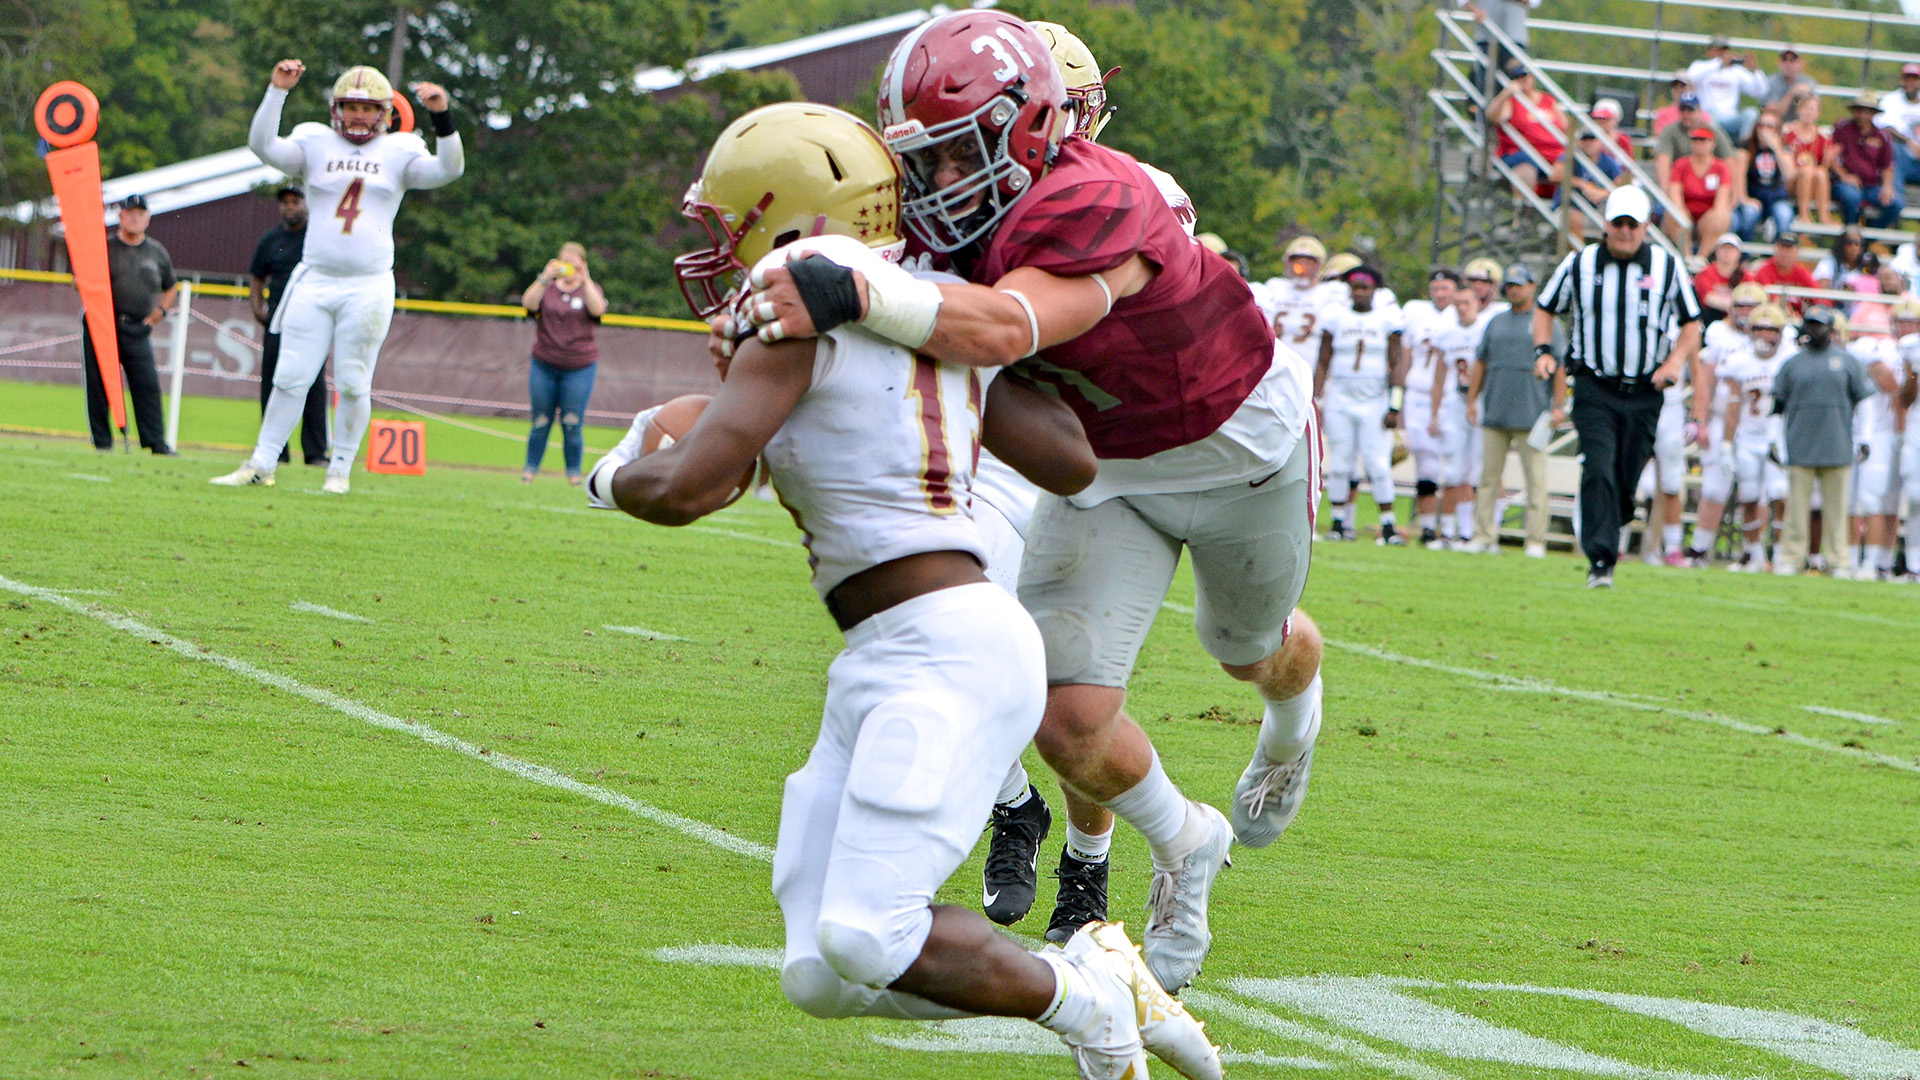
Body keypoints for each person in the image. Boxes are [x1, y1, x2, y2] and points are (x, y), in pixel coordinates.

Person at [601, 102, 1220, 1080]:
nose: (719, 254)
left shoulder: (794, 310)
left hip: (946, 647)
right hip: (892, 656)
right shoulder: (926, 299)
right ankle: (1092, 972)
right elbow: (1068, 458)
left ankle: (1092, 998)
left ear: (794, 221)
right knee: (819, 971)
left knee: (866, 933)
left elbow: (682, 490)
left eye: (728, 227)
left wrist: (612, 472)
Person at [746, 9, 1325, 994]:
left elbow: (1008, 324)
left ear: (1029, 129)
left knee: (1249, 650)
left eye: (956, 152)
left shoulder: (1100, 192)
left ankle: (1292, 728)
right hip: (1106, 469)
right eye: (921, 161)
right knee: (1067, 719)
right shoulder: (961, 222)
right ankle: (1186, 840)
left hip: (1239, 450)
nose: (937, 183)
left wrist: (853, 294)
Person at [212, 61, 464, 493]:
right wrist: (276, 91)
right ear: (335, 108)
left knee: (352, 379)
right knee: (290, 375)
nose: (358, 116)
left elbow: (449, 170)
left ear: (385, 112)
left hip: (367, 284)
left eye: (368, 108)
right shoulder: (315, 140)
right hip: (315, 278)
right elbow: (262, 146)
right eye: (350, 106)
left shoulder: (400, 149)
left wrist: (442, 116)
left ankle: (340, 469)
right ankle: (261, 462)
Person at [1536, 185, 1704, 588]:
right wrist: (1544, 350)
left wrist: (1675, 361)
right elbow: (1545, 307)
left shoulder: (1666, 266)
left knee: (1627, 477)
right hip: (1595, 384)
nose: (1625, 231)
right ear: (1605, 224)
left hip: (1646, 388)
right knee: (1598, 466)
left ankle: (1618, 515)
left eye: (1632, 224)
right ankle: (1601, 560)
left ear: (1646, 226)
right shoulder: (1581, 263)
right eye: (1617, 224)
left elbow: (1692, 323)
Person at [1465, 263, 1564, 556]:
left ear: (1533, 287)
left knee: (1536, 481)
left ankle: (1535, 540)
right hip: (1496, 411)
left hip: (1533, 414)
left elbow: (1559, 366)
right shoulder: (1496, 321)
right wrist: (1473, 400)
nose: (1514, 290)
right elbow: (1481, 363)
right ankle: (1483, 535)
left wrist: (1559, 406)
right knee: (1488, 479)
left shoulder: (1547, 324)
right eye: (1509, 285)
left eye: (1519, 285)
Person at [1771, 305, 1873, 576]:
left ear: (1831, 329)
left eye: (1821, 325)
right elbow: (1777, 406)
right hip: (1800, 442)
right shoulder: (1792, 364)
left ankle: (1838, 559)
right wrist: (1775, 440)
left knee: (1838, 509)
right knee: (1795, 507)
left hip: (1837, 442)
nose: (1816, 330)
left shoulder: (1848, 362)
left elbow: (1865, 401)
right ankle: (1792, 557)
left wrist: (1865, 438)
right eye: (1811, 324)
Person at [1316, 264, 1407, 544]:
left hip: (1373, 400)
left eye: (1365, 288)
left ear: (1375, 290)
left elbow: (1397, 363)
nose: (1360, 293)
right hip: (1341, 397)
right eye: (1355, 288)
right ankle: (1339, 523)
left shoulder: (1386, 319)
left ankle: (1388, 526)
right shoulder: (1335, 317)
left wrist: (1395, 405)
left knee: (1377, 463)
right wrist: (1316, 399)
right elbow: (1323, 360)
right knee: (1341, 463)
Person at [83, 193, 177, 455]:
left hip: (138, 327)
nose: (135, 217)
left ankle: (155, 441)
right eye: (130, 212)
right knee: (99, 384)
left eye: (140, 213)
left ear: (148, 218)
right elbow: (80, 277)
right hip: (103, 325)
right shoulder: (104, 246)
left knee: (146, 385)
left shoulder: (156, 251)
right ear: (120, 216)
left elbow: (171, 287)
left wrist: (159, 314)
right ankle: (102, 441)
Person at [1684, 281, 1768, 562]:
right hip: (1723, 417)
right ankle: (1698, 548)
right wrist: (1701, 420)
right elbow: (1706, 382)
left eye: (1752, 307)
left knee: (1756, 491)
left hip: (1757, 423)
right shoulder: (1721, 334)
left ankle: (1751, 552)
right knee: (1714, 487)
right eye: (1741, 306)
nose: (1746, 312)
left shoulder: (1776, 336)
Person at [248, 184, 324, 466]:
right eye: (285, 202)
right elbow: (256, 277)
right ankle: (275, 451)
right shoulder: (270, 240)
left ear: (306, 203)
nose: (289, 207)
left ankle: (315, 453)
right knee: (272, 383)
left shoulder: (316, 237)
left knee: (313, 386)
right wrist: (258, 309)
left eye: (295, 201)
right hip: (279, 321)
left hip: (312, 321)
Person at [520, 242, 606, 484]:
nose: (568, 269)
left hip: (580, 366)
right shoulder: (548, 289)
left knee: (571, 421)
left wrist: (585, 279)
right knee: (541, 420)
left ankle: (573, 474)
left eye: (573, 263)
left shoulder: (590, 289)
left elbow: (598, 310)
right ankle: (530, 470)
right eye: (564, 263)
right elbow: (528, 304)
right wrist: (544, 278)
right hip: (545, 364)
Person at [1719, 303, 1792, 571]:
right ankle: (1754, 554)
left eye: (1771, 330)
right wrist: (1727, 444)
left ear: (1781, 333)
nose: (1765, 335)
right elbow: (1733, 405)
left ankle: (1782, 554)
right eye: (1759, 329)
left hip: (1779, 438)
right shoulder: (1739, 362)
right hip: (1748, 437)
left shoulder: (1789, 360)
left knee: (1780, 496)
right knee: (1749, 496)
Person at [1403, 269, 1461, 545]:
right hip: (1418, 393)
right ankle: (1428, 528)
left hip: (1450, 395)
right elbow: (1405, 355)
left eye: (1446, 288)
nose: (1441, 294)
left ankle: (1450, 528)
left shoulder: (1461, 316)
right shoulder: (1416, 312)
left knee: (1453, 465)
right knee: (1425, 463)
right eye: (1436, 288)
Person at [1426, 290, 1486, 547]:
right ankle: (1448, 530)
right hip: (1454, 404)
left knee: (1477, 471)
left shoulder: (1486, 331)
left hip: (1481, 404)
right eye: (1458, 303)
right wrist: (1434, 413)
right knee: (1452, 470)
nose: (1462, 308)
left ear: (1478, 304)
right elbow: (1439, 378)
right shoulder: (1448, 335)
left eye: (1467, 303)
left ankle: (1469, 531)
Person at [1488, 63, 1566, 207]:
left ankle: (1560, 210)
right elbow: (1493, 116)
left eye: (1525, 76)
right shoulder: (1511, 101)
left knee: (1570, 163)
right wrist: (1506, 93)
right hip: (1523, 154)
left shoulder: (1548, 100)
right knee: (1526, 166)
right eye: (1517, 77)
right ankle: (1523, 212)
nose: (1522, 80)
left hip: (1554, 154)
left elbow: (1566, 127)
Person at [1829, 94, 1901, 229]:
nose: (1863, 115)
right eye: (1860, 110)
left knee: (1896, 204)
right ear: (1854, 111)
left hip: (1872, 185)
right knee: (1851, 197)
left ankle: (1868, 237)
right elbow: (1831, 156)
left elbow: (1887, 165)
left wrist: (1887, 186)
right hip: (1845, 183)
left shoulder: (1882, 136)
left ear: (1874, 114)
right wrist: (1844, 176)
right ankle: (1850, 234)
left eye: (1868, 111)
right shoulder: (1842, 129)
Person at [1664, 128, 1735, 256]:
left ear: (1712, 143)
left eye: (1703, 140)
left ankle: (1702, 257)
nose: (1699, 143)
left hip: (1708, 213)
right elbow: (1675, 193)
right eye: (1695, 140)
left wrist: (1716, 215)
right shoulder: (1681, 165)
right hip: (1686, 210)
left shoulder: (1720, 167)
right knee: (1674, 215)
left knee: (1722, 216)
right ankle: (1685, 255)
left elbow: (1722, 197)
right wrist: (1681, 213)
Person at [1684, 34, 1768, 140]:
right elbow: (1690, 78)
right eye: (1718, 50)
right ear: (1709, 51)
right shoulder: (1700, 66)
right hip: (1708, 117)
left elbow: (1761, 92)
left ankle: (1744, 147)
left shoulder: (1736, 71)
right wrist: (1719, 63)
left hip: (1731, 118)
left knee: (1751, 114)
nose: (1722, 53)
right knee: (1710, 116)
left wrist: (1755, 70)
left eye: (1724, 50)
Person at [1731, 111, 1797, 241]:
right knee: (1749, 214)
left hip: (1776, 197)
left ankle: (1776, 255)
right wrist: (1744, 199)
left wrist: (1776, 148)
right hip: (1753, 196)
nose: (1764, 130)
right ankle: (1744, 256)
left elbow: (1790, 175)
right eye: (1761, 125)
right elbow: (1738, 177)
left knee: (1784, 215)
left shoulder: (1785, 148)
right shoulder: (1745, 147)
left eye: (1770, 126)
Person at [1551, 129, 1623, 246]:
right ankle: (1580, 257)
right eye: (1585, 139)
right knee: (1573, 218)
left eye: (1592, 139)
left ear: (1600, 142)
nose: (1588, 143)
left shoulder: (1607, 160)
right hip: (1569, 205)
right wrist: (1582, 184)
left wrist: (1603, 193)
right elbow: (1555, 175)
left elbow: (1622, 185)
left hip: (1597, 208)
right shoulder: (1571, 156)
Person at [1263, 236, 1334, 351]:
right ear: (1287, 262)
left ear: (1320, 265)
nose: (1302, 267)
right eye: (1296, 261)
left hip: (1309, 360)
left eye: (1308, 262)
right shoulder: (1274, 288)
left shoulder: (1330, 293)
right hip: (1276, 360)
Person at [1654, 94, 1733, 191]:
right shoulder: (1670, 132)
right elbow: (1663, 159)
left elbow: (1729, 160)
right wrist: (1666, 193)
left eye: (1691, 110)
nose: (1686, 114)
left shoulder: (1712, 131)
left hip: (1709, 190)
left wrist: (1731, 196)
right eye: (1683, 110)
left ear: (1699, 111)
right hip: (1678, 186)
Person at [1781, 92, 1834, 225]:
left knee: (1821, 173)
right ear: (1799, 110)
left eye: (1813, 109)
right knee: (1806, 170)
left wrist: (1830, 157)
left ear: (1818, 114)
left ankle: (1824, 215)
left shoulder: (1823, 137)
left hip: (1812, 179)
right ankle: (1804, 214)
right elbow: (1791, 148)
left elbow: (1824, 164)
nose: (1809, 112)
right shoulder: (1790, 133)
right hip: (1794, 177)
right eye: (1806, 108)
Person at [1752, 231, 1819, 315]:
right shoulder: (1764, 270)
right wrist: (1790, 314)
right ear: (1776, 249)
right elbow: (1774, 300)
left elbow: (1818, 297)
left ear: (1797, 252)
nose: (1785, 253)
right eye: (1782, 248)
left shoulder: (1801, 273)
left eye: (1789, 249)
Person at [1877, 64, 1920, 189]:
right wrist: (1910, 143)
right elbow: (1885, 128)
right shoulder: (1891, 100)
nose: (1910, 83)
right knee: (1894, 148)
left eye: (1914, 80)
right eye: (1907, 79)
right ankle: (1895, 196)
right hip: (1901, 156)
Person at [1693, 232, 1747, 321]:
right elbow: (1708, 298)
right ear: (1717, 251)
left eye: (1731, 249)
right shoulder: (1705, 273)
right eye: (1724, 248)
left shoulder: (1745, 275)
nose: (1727, 252)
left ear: (1739, 253)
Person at [1764, 47, 1817, 117]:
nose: (1788, 64)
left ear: (1800, 63)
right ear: (1779, 63)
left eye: (1793, 60)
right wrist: (1791, 94)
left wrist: (1807, 97)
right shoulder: (1772, 82)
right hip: (1777, 125)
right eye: (1784, 59)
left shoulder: (1808, 82)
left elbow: (1814, 111)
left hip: (1799, 125)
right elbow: (1772, 114)